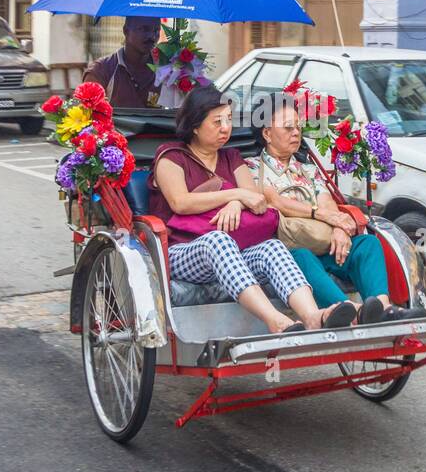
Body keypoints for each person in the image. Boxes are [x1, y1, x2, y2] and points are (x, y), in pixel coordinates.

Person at [149, 85, 356, 334]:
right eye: (217, 122)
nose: (226, 128)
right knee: (217, 241)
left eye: (228, 120)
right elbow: (180, 202)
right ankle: (275, 320)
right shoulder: (171, 157)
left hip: (233, 251)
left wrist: (238, 202)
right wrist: (235, 194)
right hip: (181, 250)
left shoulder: (231, 158)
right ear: (195, 125)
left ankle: (312, 316)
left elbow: (256, 200)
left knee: (272, 247)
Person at [249, 93, 425, 325]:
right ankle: (348, 311)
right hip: (291, 248)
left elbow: (327, 201)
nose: (296, 133)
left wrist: (340, 228)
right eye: (288, 127)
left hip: (325, 242)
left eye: (298, 127)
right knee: (300, 256)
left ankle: (383, 308)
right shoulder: (252, 169)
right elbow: (275, 201)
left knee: (368, 244)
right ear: (267, 134)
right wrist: (325, 216)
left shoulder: (308, 169)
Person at [82, 16, 162, 109]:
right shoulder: (101, 70)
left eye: (156, 31)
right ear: (126, 31)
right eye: (144, 29)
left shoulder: (168, 70)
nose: (152, 36)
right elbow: (88, 115)